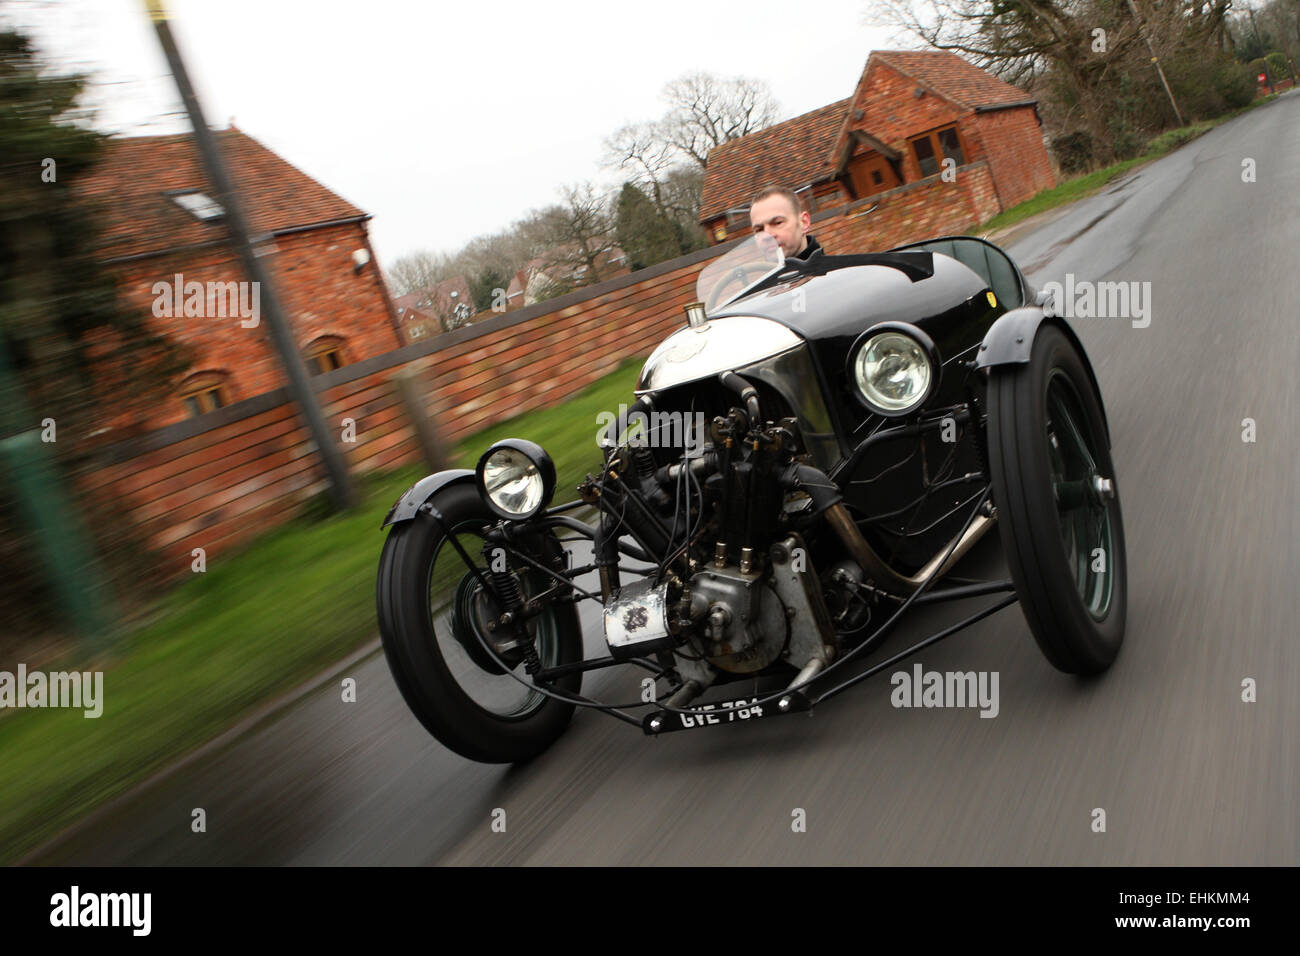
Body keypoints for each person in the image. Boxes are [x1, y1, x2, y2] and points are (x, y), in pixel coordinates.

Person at [748, 185, 824, 262]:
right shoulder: (754, 272)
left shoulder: (832, 272)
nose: (767, 236)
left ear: (804, 223)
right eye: (759, 230)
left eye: (778, 223)